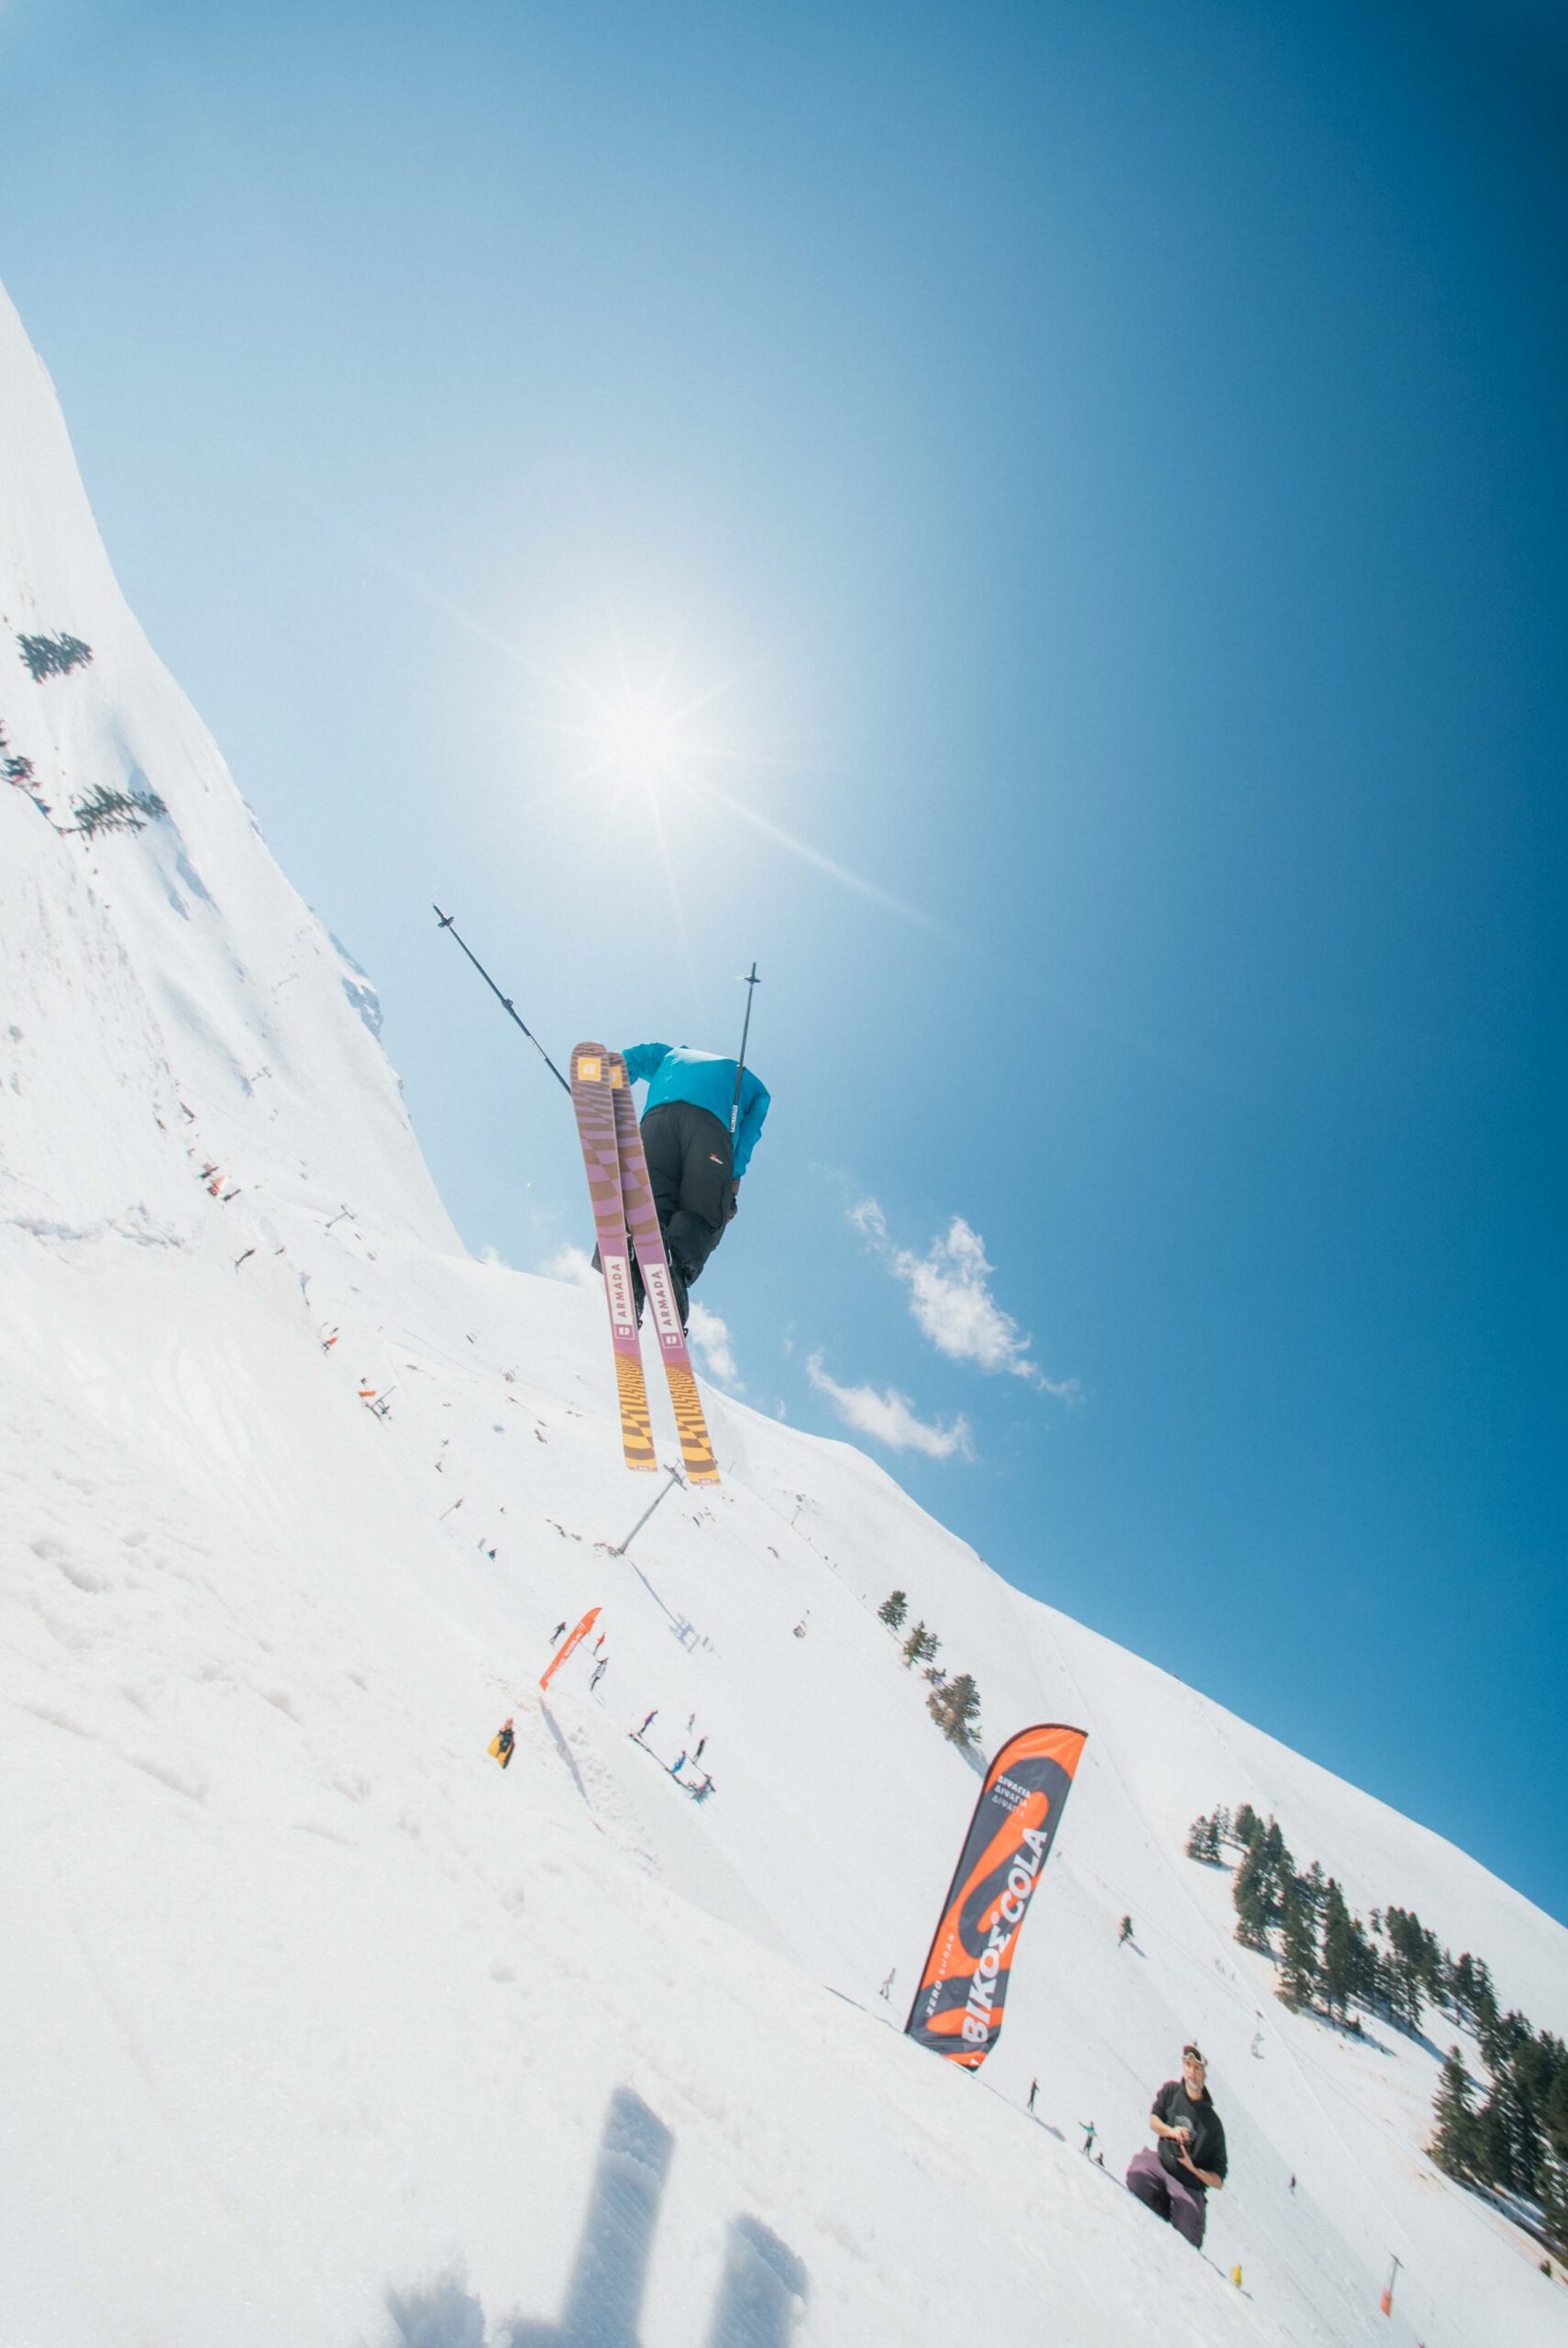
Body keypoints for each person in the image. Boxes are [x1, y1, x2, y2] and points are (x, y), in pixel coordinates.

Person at [621, 1042, 769, 1324]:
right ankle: (675, 1262)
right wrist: (732, 1182)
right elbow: (749, 1134)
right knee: (703, 1210)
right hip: (712, 1128)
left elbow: (634, 1058)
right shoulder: (753, 1086)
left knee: (652, 1199)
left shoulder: (672, 1055)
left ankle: (631, 1258)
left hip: (657, 1119)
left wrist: (614, 1084)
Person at [1125, 2044, 1228, 2250]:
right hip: (1161, 2163)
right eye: (1188, 2065)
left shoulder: (1213, 2124)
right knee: (1137, 2177)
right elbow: (1154, 2119)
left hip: (1189, 2184)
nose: (1192, 2072)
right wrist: (1170, 2132)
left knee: (1188, 2238)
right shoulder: (1172, 2091)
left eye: (1197, 2068)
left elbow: (1218, 2179)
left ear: (1205, 2074)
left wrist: (1191, 2167)